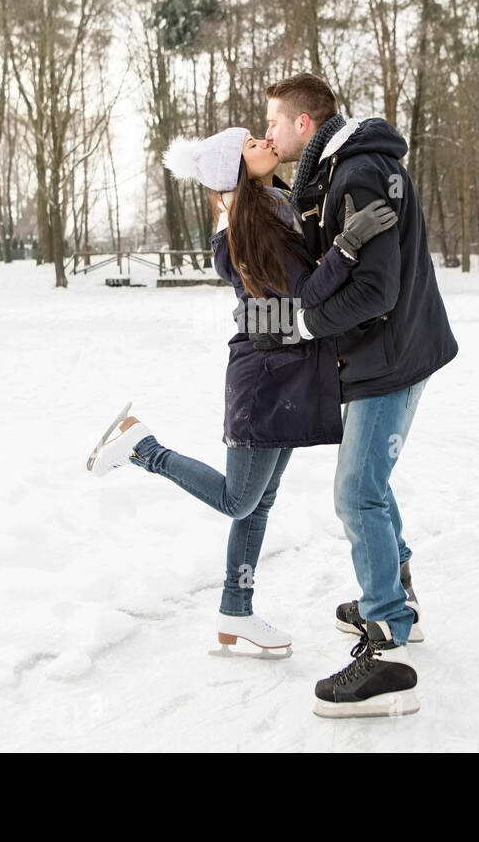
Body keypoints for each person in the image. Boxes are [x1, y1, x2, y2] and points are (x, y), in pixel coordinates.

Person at [85, 126, 398, 660]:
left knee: (258, 504)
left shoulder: (271, 208)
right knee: (239, 500)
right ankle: (143, 449)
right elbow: (304, 293)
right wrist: (347, 244)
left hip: (286, 370)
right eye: (251, 143)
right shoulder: (246, 228)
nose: (265, 143)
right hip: (262, 376)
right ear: (235, 168)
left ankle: (236, 611)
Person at [262, 73, 459, 717]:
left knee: (357, 491)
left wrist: (305, 326)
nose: (269, 134)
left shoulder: (358, 173)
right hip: (388, 352)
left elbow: (376, 291)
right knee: (370, 481)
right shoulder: (339, 171)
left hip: (391, 358)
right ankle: (397, 597)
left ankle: (388, 646)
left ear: (303, 123)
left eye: (274, 123)